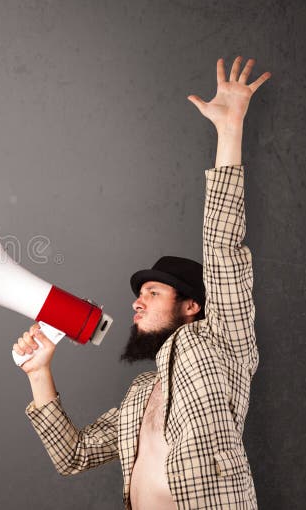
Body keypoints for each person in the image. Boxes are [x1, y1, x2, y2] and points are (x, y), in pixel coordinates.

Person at [14, 56, 270, 509]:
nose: (137, 302)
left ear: (192, 305)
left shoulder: (223, 342)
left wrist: (230, 129)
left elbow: (222, 246)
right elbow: (73, 455)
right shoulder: (140, 395)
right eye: (138, 294)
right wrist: (39, 373)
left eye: (153, 292)